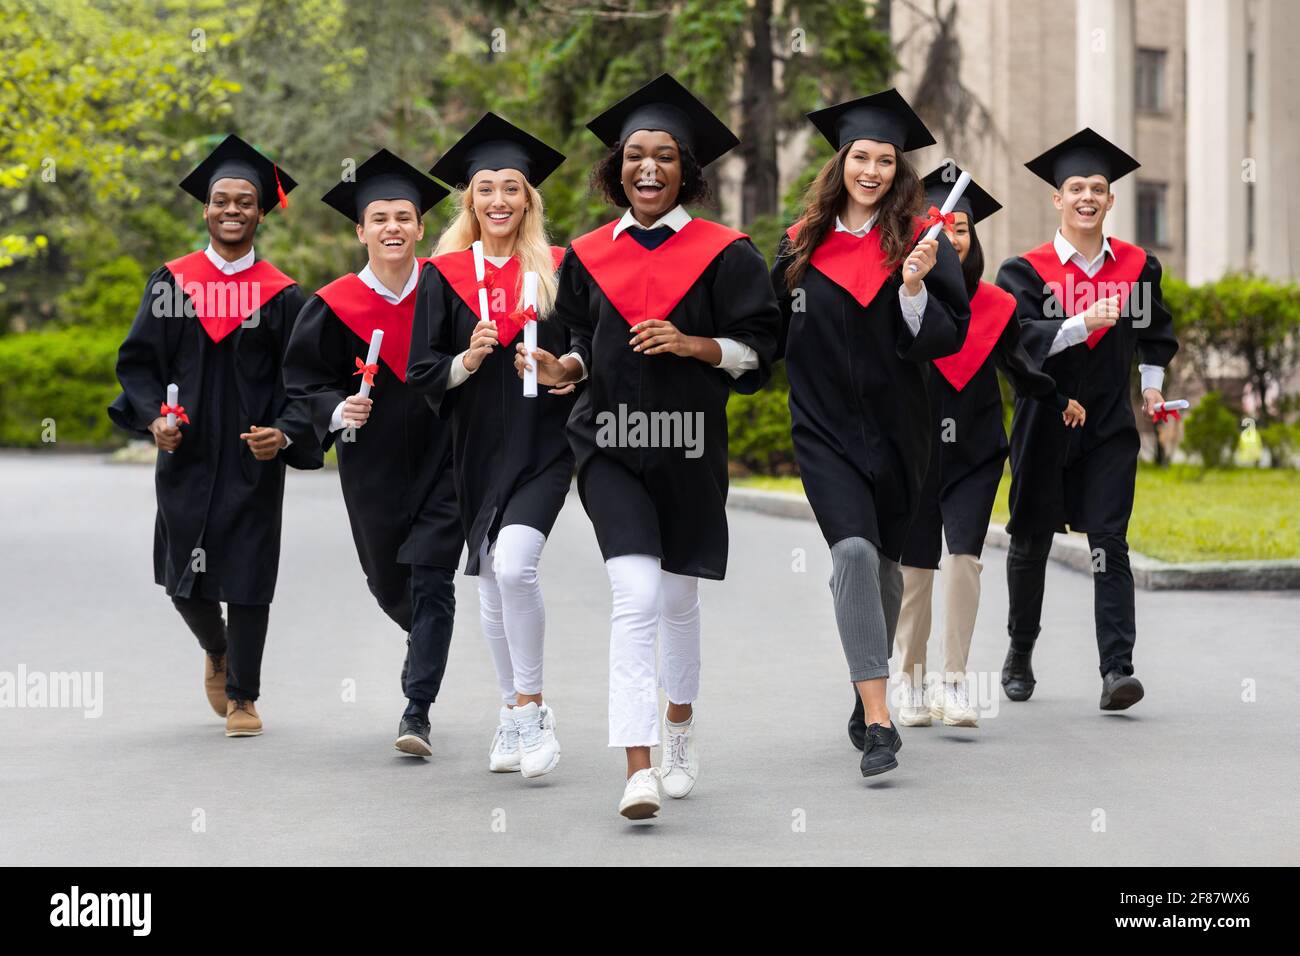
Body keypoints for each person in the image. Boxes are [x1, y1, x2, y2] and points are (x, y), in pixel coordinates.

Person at [522, 74, 780, 819]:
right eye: (635, 154)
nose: (648, 168)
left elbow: (761, 347)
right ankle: (637, 768)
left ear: (686, 171)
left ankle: (678, 725)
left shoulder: (727, 254)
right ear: (616, 167)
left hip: (690, 444)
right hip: (609, 445)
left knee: (676, 597)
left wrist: (696, 344)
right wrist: (561, 367)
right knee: (634, 597)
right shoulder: (589, 255)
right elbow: (576, 342)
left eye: (664, 156)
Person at [771, 89, 968, 778]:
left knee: (884, 566)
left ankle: (865, 690)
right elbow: (765, 331)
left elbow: (947, 337)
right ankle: (880, 722)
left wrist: (913, 288)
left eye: (886, 160)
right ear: (842, 163)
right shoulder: (800, 244)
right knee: (852, 552)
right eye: (862, 156)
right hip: (823, 430)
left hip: (901, 431)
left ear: (898, 171)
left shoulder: (921, 243)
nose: (873, 170)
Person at [108, 134, 320, 738]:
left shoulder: (282, 297)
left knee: (250, 575)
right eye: (221, 200)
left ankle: (244, 697)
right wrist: (154, 419)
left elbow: (300, 380)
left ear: (261, 212)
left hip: (253, 453)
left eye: (245, 201)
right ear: (205, 209)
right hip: (188, 448)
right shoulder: (172, 283)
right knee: (183, 578)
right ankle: (218, 648)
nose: (232, 210)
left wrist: (282, 434)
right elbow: (140, 363)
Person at [283, 149, 464, 756]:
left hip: (446, 461)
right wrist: (337, 410)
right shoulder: (333, 304)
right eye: (380, 217)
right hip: (373, 470)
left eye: (404, 217)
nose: (393, 227)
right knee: (393, 584)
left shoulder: (446, 292)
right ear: (360, 230)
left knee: (434, 578)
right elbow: (303, 382)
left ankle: (417, 710)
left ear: (420, 228)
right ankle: (428, 639)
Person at [408, 113, 573, 778]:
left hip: (543, 447)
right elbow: (423, 372)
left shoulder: (560, 270)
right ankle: (510, 711)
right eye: (484, 188)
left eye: (511, 187)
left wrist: (570, 368)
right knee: (487, 583)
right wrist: (467, 361)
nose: (498, 199)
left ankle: (532, 708)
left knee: (513, 568)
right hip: (474, 449)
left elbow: (590, 347)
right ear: (469, 201)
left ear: (529, 198)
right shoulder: (442, 275)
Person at [894, 163, 1085, 729]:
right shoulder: (899, 297)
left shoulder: (996, 305)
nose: (950, 236)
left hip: (976, 449)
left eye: (960, 228)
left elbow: (1021, 367)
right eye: (937, 226)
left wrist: (1057, 399)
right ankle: (909, 681)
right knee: (915, 568)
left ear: (972, 238)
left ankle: (954, 683)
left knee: (964, 560)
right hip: (915, 446)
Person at [996, 128, 1179, 710]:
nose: (1087, 197)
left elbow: (1154, 335)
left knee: (1110, 542)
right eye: (1076, 187)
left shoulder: (1136, 267)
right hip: (1042, 423)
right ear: (1057, 198)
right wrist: (1080, 325)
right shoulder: (1024, 271)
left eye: (1097, 189)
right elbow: (1017, 346)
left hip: (1107, 428)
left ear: (1110, 200)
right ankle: (1020, 651)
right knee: (1030, 542)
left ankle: (1116, 670)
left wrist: (1152, 389)